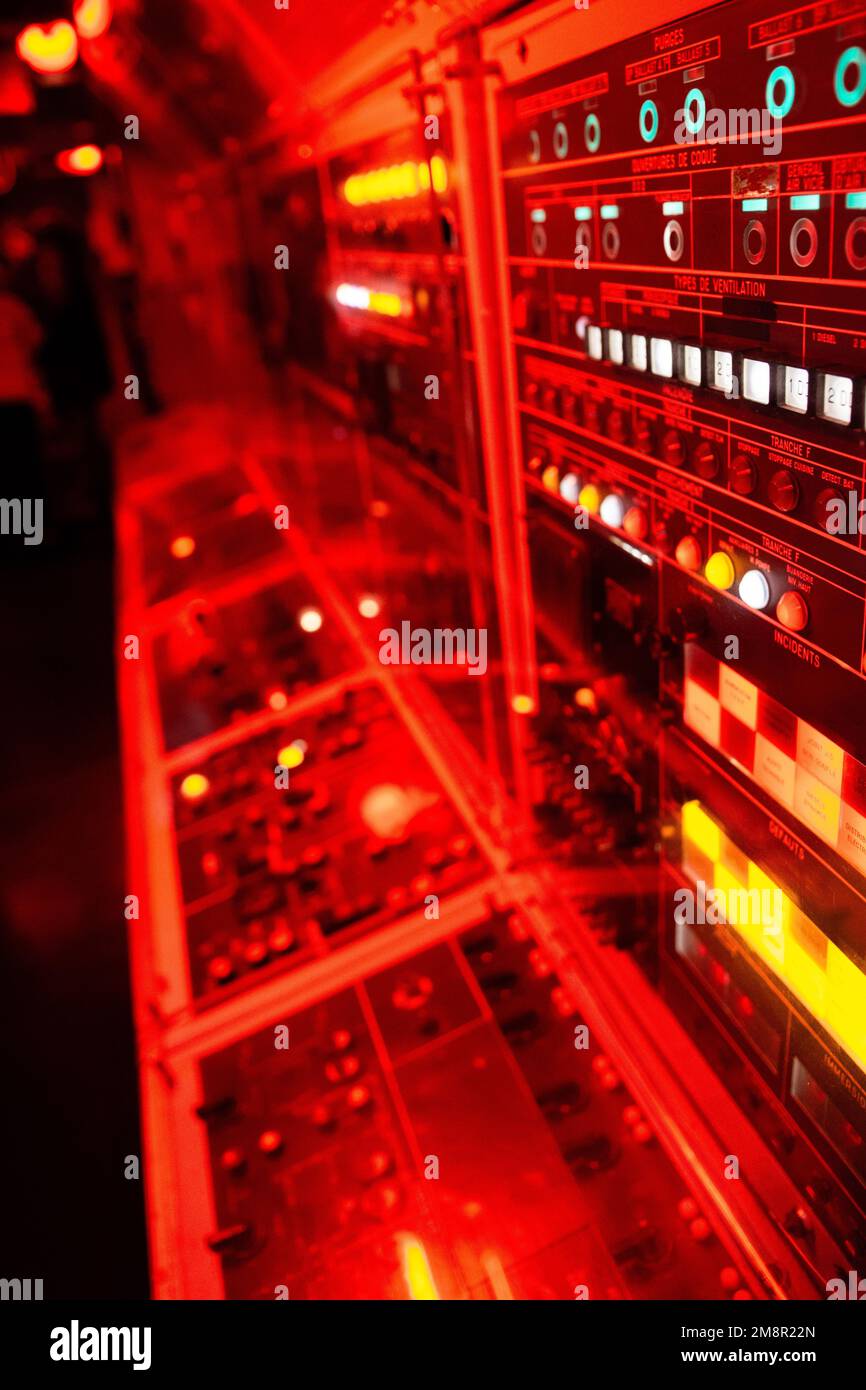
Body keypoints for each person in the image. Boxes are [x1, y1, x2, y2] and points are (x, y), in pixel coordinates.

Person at [0, 259, 47, 503]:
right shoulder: (13, 308)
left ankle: (17, 529)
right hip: (17, 397)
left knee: (12, 470)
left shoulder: (13, 308)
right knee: (25, 467)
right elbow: (35, 341)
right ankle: (30, 530)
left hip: (16, 396)